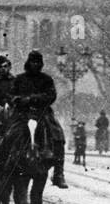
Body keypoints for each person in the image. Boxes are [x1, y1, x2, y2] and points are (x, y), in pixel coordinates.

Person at [9, 50, 68, 188]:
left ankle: (59, 173)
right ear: (28, 63)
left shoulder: (46, 79)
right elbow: (10, 95)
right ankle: (2, 164)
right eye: (32, 62)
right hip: (22, 113)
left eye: (37, 62)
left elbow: (51, 96)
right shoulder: (19, 79)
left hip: (42, 112)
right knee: (7, 132)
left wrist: (33, 98)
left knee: (58, 133)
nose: (35, 65)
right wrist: (17, 99)